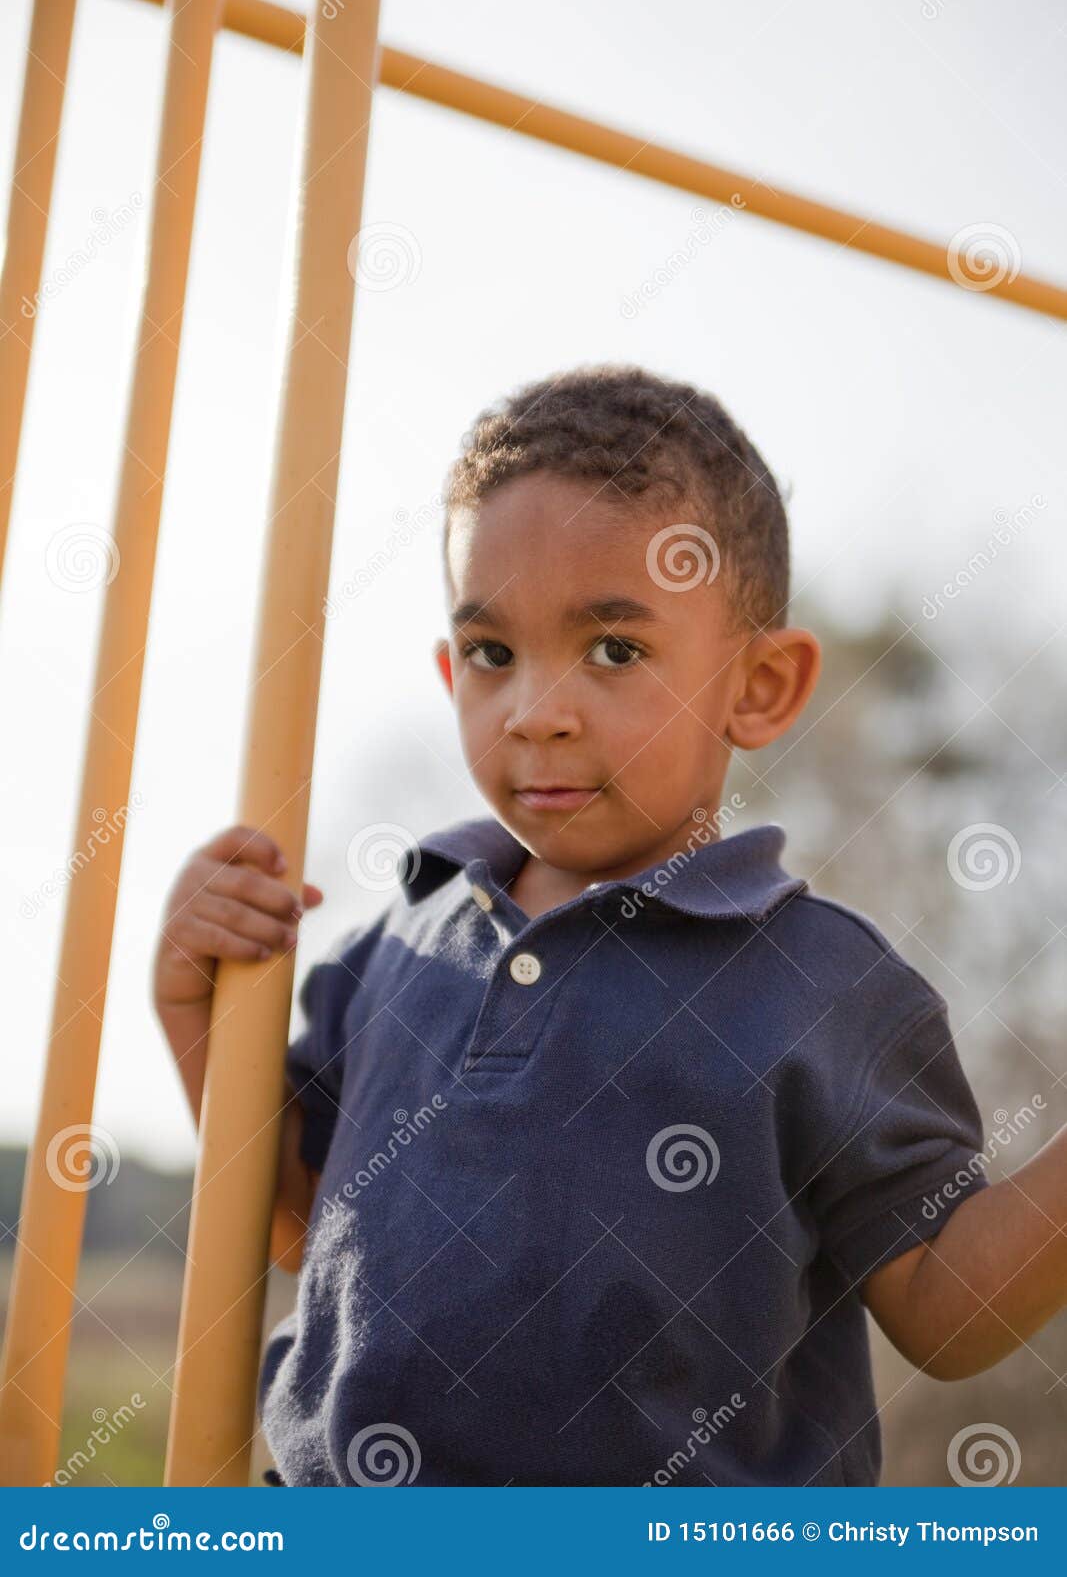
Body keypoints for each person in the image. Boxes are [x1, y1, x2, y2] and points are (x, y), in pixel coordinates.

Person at [153, 364, 1062, 1487]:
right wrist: (192, 1008)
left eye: (614, 650)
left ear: (761, 687)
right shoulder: (394, 942)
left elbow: (944, 1305)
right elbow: (296, 1227)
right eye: (492, 655)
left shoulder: (821, 981)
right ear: (451, 673)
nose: (536, 712)